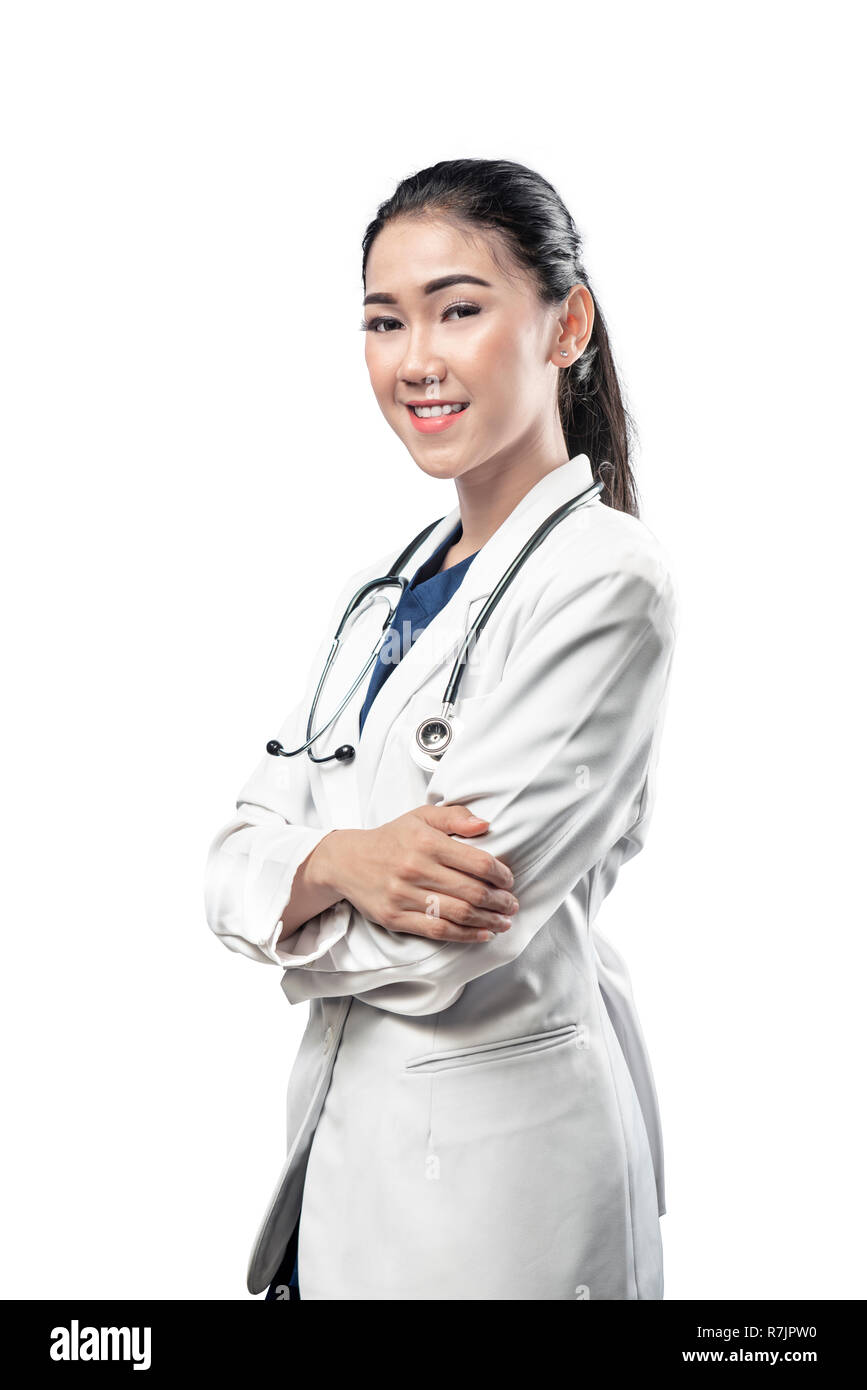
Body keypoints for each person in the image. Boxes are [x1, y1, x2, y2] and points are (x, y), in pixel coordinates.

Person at [204, 157, 678, 1301]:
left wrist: (292, 902)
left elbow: (449, 936)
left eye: (460, 309)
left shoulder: (608, 580)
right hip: (345, 1171)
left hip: (501, 1196)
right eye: (384, 319)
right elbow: (228, 863)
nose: (416, 357)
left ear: (567, 326)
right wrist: (338, 861)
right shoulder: (383, 589)